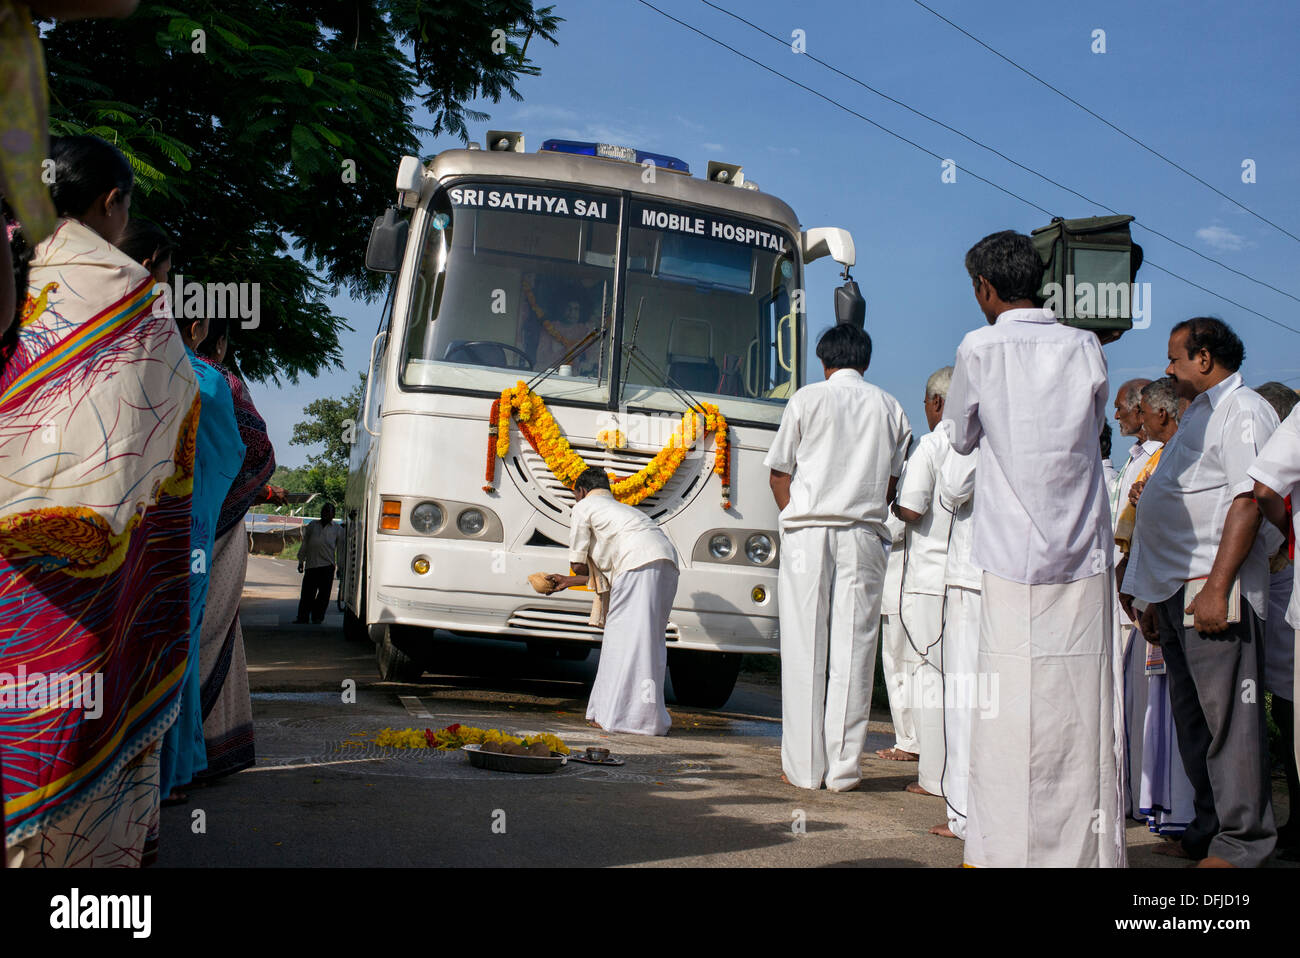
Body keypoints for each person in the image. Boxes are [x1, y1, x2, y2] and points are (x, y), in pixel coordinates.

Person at [2, 135, 197, 867]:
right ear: (112, 204)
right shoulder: (125, 295)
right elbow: (159, 438)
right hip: (77, 582)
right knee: (73, 724)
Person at [944, 230, 1122, 867]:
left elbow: (960, 437)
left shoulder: (980, 346)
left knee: (1008, 706)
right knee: (1079, 706)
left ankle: (1003, 853)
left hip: (1010, 551)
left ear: (986, 289)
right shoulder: (1085, 347)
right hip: (1082, 551)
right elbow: (1093, 428)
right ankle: (1083, 854)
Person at [1123, 317, 1280, 868]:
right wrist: (1147, 596)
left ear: (1205, 359)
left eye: (1175, 359)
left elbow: (1249, 500)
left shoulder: (1244, 412)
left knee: (1229, 724)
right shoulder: (1197, 418)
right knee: (1194, 722)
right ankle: (1210, 831)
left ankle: (1243, 843)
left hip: (1211, 591)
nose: (1168, 369)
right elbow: (1165, 501)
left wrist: (1216, 588)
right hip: (1174, 592)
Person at [765, 323, 911, 790]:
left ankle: (804, 770)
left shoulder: (806, 398)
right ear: (865, 362)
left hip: (809, 531)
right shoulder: (891, 406)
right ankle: (844, 769)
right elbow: (892, 485)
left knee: (806, 644)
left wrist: (799, 517)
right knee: (855, 647)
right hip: (863, 533)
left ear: (824, 360)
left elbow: (779, 473)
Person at [157, 272, 245, 811]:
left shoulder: (118, 366)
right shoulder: (210, 382)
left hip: (127, 537)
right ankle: (177, 768)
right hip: (189, 536)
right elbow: (234, 456)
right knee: (178, 648)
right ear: (197, 327)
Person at [191, 317, 284, 777]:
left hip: (156, 525)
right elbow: (258, 453)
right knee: (209, 629)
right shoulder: (219, 380)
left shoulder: (148, 367)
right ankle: (204, 751)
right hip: (213, 526)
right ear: (212, 336)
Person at [546, 467, 680, 735]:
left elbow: (578, 562)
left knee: (620, 640)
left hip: (637, 564)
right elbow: (608, 573)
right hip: (667, 564)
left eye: (575, 496)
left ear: (581, 491)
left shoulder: (584, 507)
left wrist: (575, 571)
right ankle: (646, 719)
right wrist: (569, 581)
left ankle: (616, 717)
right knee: (650, 642)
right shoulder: (623, 511)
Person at [1122, 378, 1195, 843]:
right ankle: (1162, 807)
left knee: (1182, 711)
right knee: (1161, 710)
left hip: (1180, 589)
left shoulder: (1173, 456)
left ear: (1162, 415)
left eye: (1142, 412)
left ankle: (1186, 815)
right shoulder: (1155, 459)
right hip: (1153, 593)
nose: (1137, 419)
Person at [892, 365, 955, 798]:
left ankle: (933, 777)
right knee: (961, 679)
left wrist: (889, 501)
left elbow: (912, 510)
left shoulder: (932, 444)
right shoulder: (985, 444)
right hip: (967, 579)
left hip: (928, 580)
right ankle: (957, 774)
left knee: (928, 676)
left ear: (935, 403)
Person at [1250, 381, 1298, 857]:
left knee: (1286, 699)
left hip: (1284, 577)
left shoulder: (1289, 436)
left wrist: (1289, 536)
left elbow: (1264, 493)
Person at [930, 425, 979, 840]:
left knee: (966, 701)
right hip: (1018, 575)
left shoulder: (984, 429)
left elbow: (953, 488)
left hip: (973, 576)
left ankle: (964, 815)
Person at [875, 509, 919, 763]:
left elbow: (899, 521)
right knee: (897, 664)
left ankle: (911, 741)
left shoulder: (909, 469)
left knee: (902, 664)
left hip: (904, 583)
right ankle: (908, 738)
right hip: (895, 582)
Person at [296, 503, 342, 624]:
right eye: (324, 511)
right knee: (307, 594)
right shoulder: (312, 525)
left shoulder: (337, 529)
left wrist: (340, 567)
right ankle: (302, 617)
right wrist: (301, 561)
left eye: (328, 512)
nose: (325, 514)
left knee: (323, 595)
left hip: (327, 566)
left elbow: (341, 550)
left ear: (333, 515)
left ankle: (317, 617)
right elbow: (305, 543)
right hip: (311, 565)